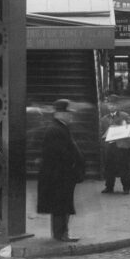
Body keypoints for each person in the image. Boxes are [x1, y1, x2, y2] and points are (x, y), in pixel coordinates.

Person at [36, 99, 85, 242]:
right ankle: (61, 234)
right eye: (68, 113)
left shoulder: (59, 127)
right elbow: (61, 154)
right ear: (60, 113)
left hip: (60, 175)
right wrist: (74, 166)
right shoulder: (56, 130)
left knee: (62, 205)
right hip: (59, 176)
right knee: (61, 205)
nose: (71, 116)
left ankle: (61, 233)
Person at [99, 94, 130, 195]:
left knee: (124, 168)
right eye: (109, 104)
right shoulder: (104, 119)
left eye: (113, 104)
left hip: (122, 147)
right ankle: (109, 187)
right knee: (109, 168)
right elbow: (101, 133)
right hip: (109, 147)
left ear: (118, 105)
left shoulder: (124, 115)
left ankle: (126, 187)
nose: (111, 106)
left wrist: (121, 128)